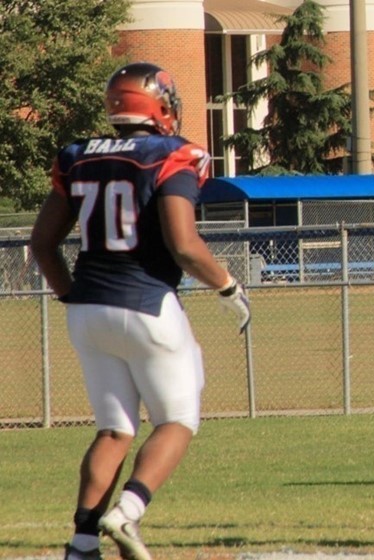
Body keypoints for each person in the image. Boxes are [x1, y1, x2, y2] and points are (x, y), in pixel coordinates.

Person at [30, 62, 251, 560]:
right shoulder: (173, 154)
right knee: (176, 420)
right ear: (160, 106)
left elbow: (42, 243)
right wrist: (227, 286)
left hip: (88, 310)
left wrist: (72, 296)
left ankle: (82, 543)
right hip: (147, 303)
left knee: (114, 429)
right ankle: (127, 511)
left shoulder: (77, 156)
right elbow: (184, 245)